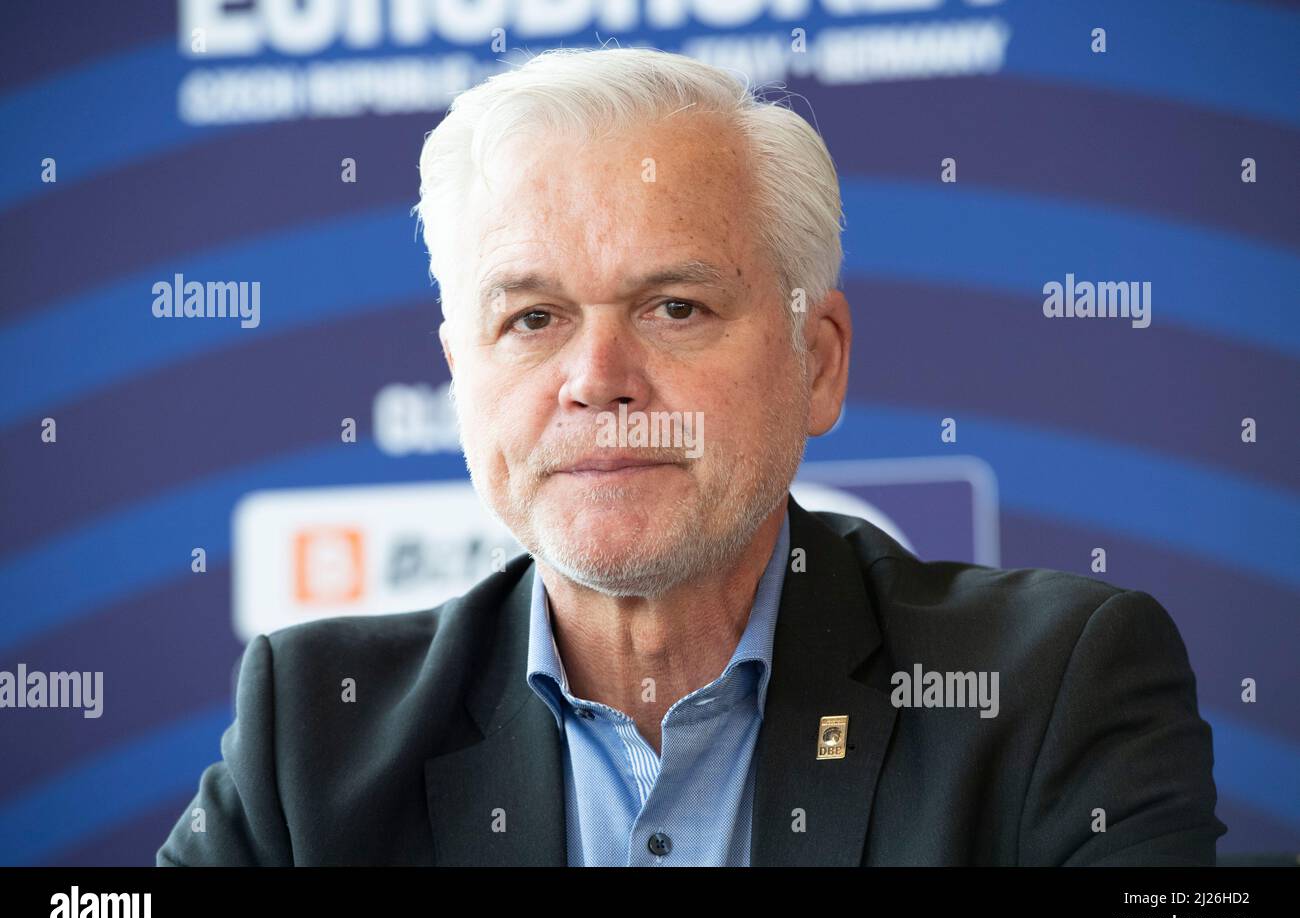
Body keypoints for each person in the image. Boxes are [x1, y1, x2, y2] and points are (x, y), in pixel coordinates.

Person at [157, 46, 1225, 866]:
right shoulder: (312, 727)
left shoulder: (1048, 689)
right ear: (459, 375)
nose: (597, 376)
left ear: (816, 361)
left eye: (674, 305)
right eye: (531, 318)